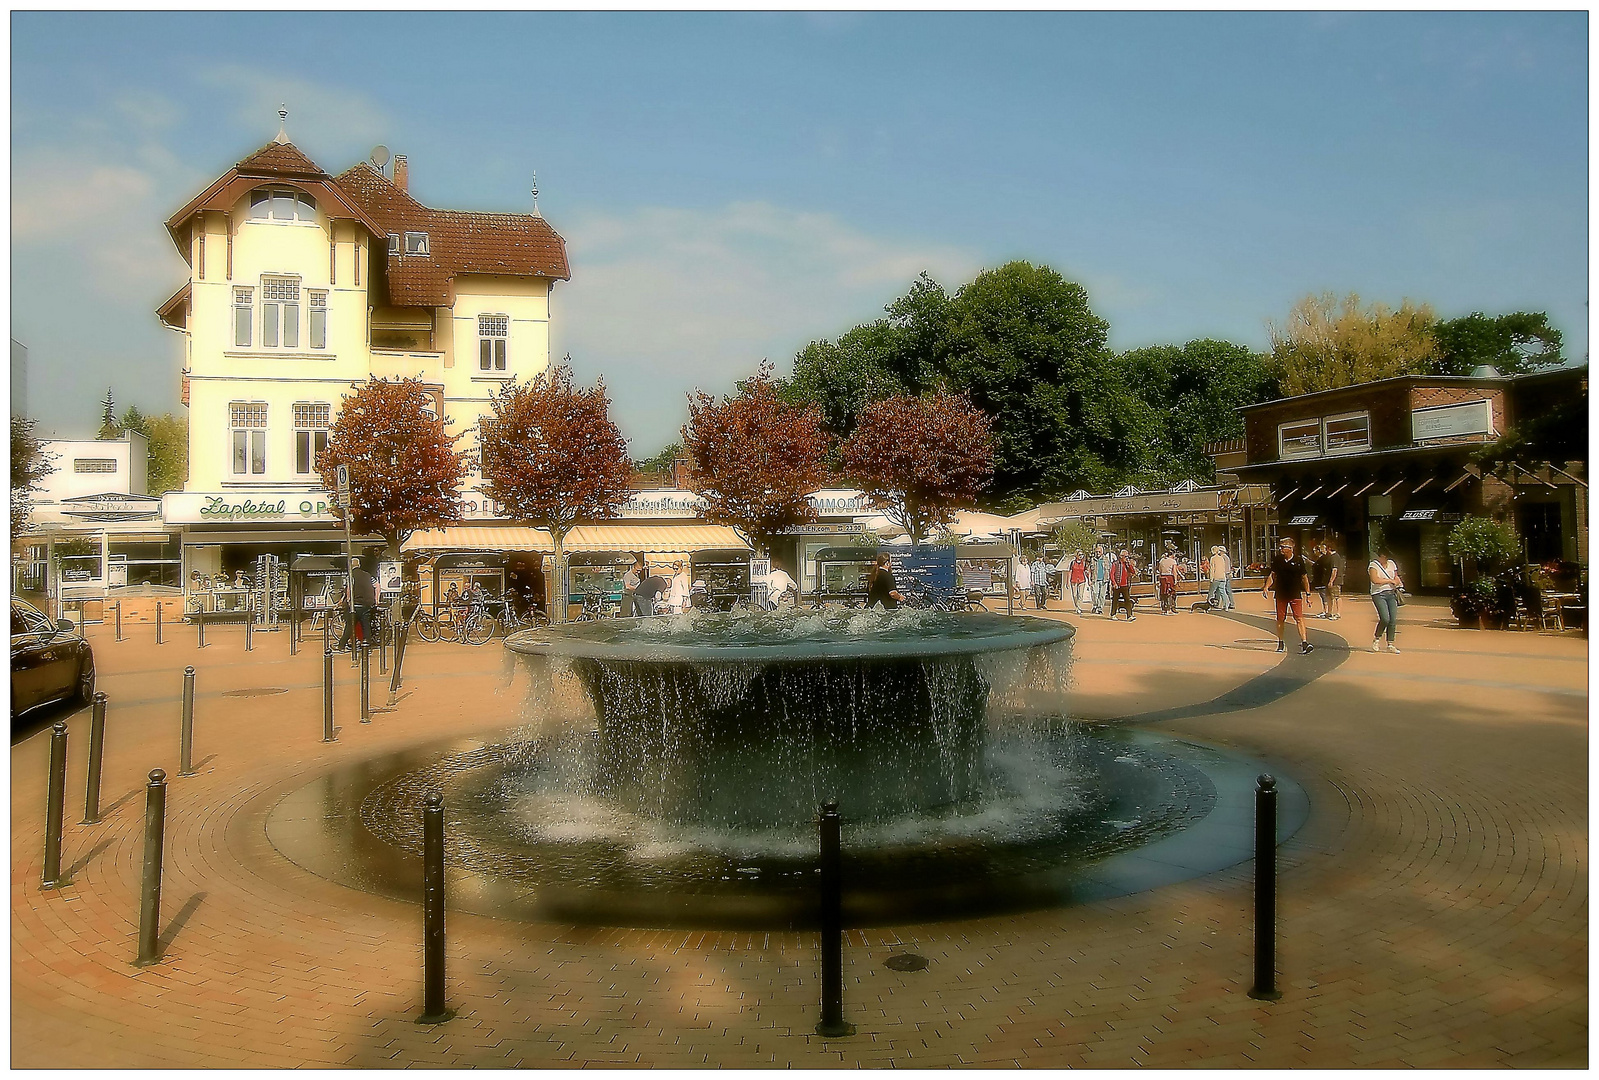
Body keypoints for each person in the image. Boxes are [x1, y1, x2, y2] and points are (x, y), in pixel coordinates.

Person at [1264, 536, 1314, 654]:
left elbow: (1304, 578)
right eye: (1280, 546)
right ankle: (1280, 642)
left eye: (1283, 547)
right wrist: (1266, 587)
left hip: (1295, 594)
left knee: (1299, 618)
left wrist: (1308, 594)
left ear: (1290, 548)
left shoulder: (1298, 560)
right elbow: (1272, 575)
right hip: (1281, 594)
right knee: (1280, 619)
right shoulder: (1277, 560)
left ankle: (1304, 643)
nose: (1280, 549)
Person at [336, 554, 378, 652]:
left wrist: (348, 600)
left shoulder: (351, 575)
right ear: (359, 565)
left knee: (350, 626)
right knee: (366, 626)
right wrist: (376, 599)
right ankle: (367, 645)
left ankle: (341, 646)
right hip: (367, 604)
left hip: (356, 604)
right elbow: (377, 586)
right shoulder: (368, 575)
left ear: (350, 566)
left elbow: (349, 588)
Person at [1368, 545, 1404, 653]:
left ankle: (1390, 643)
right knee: (1385, 618)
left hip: (1391, 593)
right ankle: (1377, 638)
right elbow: (1375, 580)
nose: (1385, 560)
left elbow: (1396, 576)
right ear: (1380, 556)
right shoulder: (1373, 565)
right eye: (1384, 557)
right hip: (1379, 594)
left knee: (1392, 619)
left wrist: (1397, 581)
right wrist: (1389, 581)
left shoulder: (1392, 564)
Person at [1317, 540, 1345, 621]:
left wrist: (1331, 581)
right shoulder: (1329, 557)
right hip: (1328, 580)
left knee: (1336, 596)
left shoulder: (1334, 557)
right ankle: (1329, 612)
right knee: (1329, 597)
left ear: (1329, 548)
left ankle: (1338, 613)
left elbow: (1334, 570)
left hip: (1335, 581)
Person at [1108, 549, 1137, 621]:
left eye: (1128, 556)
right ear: (1121, 556)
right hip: (1117, 584)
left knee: (1127, 600)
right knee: (1115, 600)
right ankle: (1113, 614)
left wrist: (1129, 564)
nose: (1127, 558)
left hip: (1125, 584)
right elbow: (1112, 574)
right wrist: (1114, 583)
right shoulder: (1116, 563)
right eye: (1126, 556)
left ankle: (1129, 615)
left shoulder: (1126, 564)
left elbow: (1133, 571)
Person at [1207, 546, 1234, 611]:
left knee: (1211, 592)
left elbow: (1212, 569)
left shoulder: (1213, 558)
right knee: (1223, 592)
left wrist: (1211, 578)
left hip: (1216, 577)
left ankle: (1208, 605)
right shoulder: (1221, 558)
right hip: (1223, 577)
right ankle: (1226, 606)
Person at [620, 553, 645, 618]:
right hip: (628, 596)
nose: (638, 572)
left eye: (640, 571)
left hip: (635, 596)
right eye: (637, 570)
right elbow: (627, 586)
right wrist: (637, 589)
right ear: (633, 567)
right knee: (627, 613)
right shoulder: (628, 575)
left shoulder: (636, 575)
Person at [1156, 545, 1179, 616]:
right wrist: (1175, 580)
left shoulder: (1161, 560)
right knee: (1170, 593)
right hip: (1169, 577)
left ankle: (1163, 609)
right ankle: (1169, 609)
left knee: (1163, 593)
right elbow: (1174, 571)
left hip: (1162, 577)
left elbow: (1159, 569)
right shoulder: (1173, 561)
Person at [1090, 544, 1111, 615]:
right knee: (1095, 593)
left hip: (1104, 580)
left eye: (1099, 552)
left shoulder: (1106, 559)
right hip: (1095, 579)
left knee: (1102, 595)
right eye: (1096, 552)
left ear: (1102, 552)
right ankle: (1095, 605)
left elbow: (1109, 569)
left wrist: (1109, 579)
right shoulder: (1093, 560)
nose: (1097, 553)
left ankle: (1100, 608)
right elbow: (1089, 570)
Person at [1068, 551, 1089, 615]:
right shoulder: (1073, 563)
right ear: (1076, 555)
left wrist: (1089, 579)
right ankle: (1077, 606)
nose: (1081, 556)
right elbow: (1070, 572)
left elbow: (1086, 571)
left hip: (1082, 580)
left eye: (1082, 554)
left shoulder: (1084, 563)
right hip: (1074, 580)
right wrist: (1067, 581)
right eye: (1079, 554)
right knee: (1074, 595)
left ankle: (1079, 608)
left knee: (1080, 595)